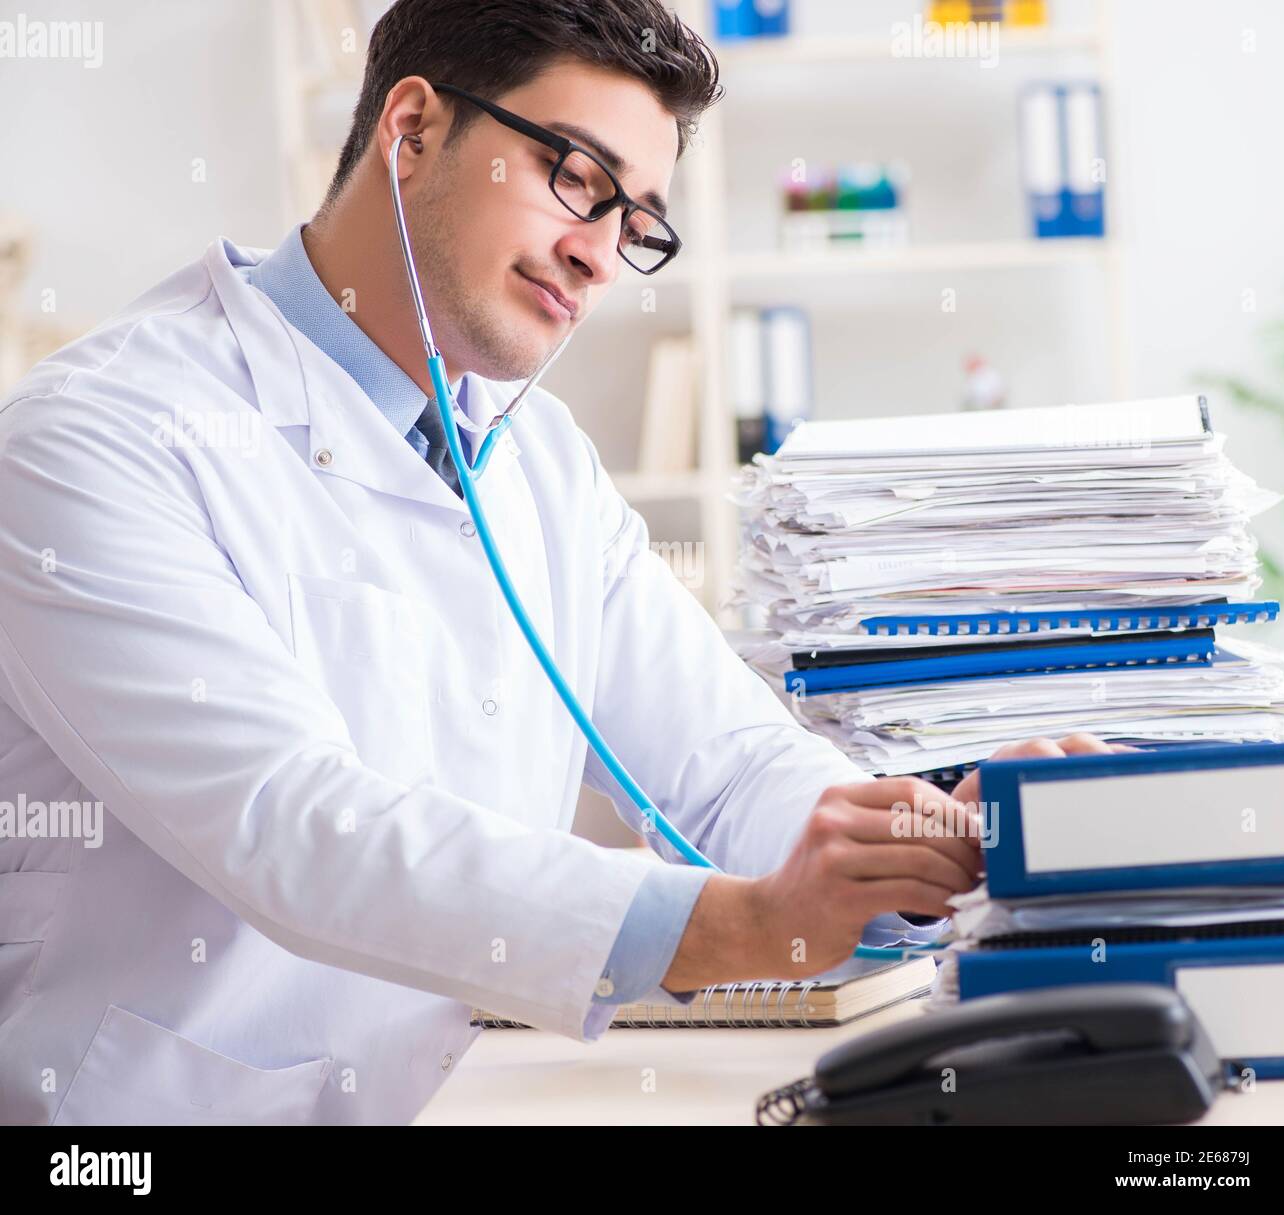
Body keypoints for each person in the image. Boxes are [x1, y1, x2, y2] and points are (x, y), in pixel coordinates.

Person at [0, 0, 1122, 1125]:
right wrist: (735, 925)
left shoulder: (536, 456)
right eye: (577, 178)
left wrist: (924, 838)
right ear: (413, 129)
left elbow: (725, 765)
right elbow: (291, 825)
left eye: (636, 221)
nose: (598, 252)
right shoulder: (96, 437)